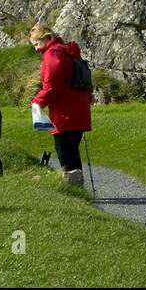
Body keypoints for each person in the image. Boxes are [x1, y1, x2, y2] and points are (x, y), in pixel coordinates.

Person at [29, 24, 93, 187]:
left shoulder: (52, 56)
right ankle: (77, 187)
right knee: (72, 152)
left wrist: (37, 102)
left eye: (36, 44)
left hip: (65, 112)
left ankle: (72, 188)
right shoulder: (68, 52)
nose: (36, 49)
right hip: (79, 109)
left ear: (44, 38)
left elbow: (51, 87)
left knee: (65, 153)